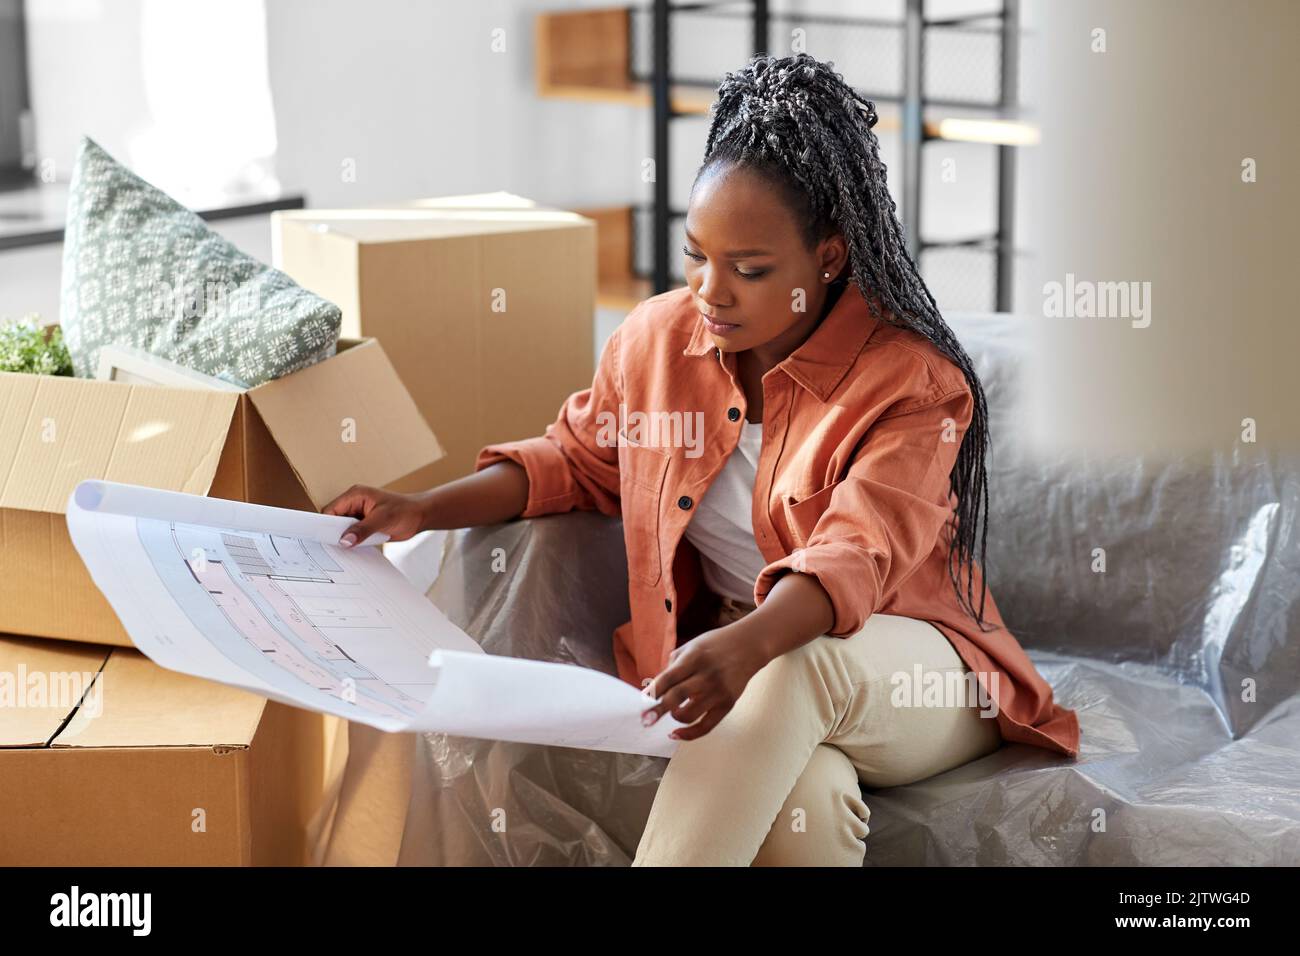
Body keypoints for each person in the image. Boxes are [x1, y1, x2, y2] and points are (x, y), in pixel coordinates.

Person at [322, 52, 1080, 867]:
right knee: (807, 807)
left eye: (749, 270)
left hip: (917, 671)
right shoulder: (656, 341)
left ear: (828, 258)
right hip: (762, 677)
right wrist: (423, 508)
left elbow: (855, 553)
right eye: (696, 255)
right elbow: (577, 461)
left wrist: (748, 645)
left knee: (793, 669)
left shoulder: (912, 383)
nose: (711, 290)